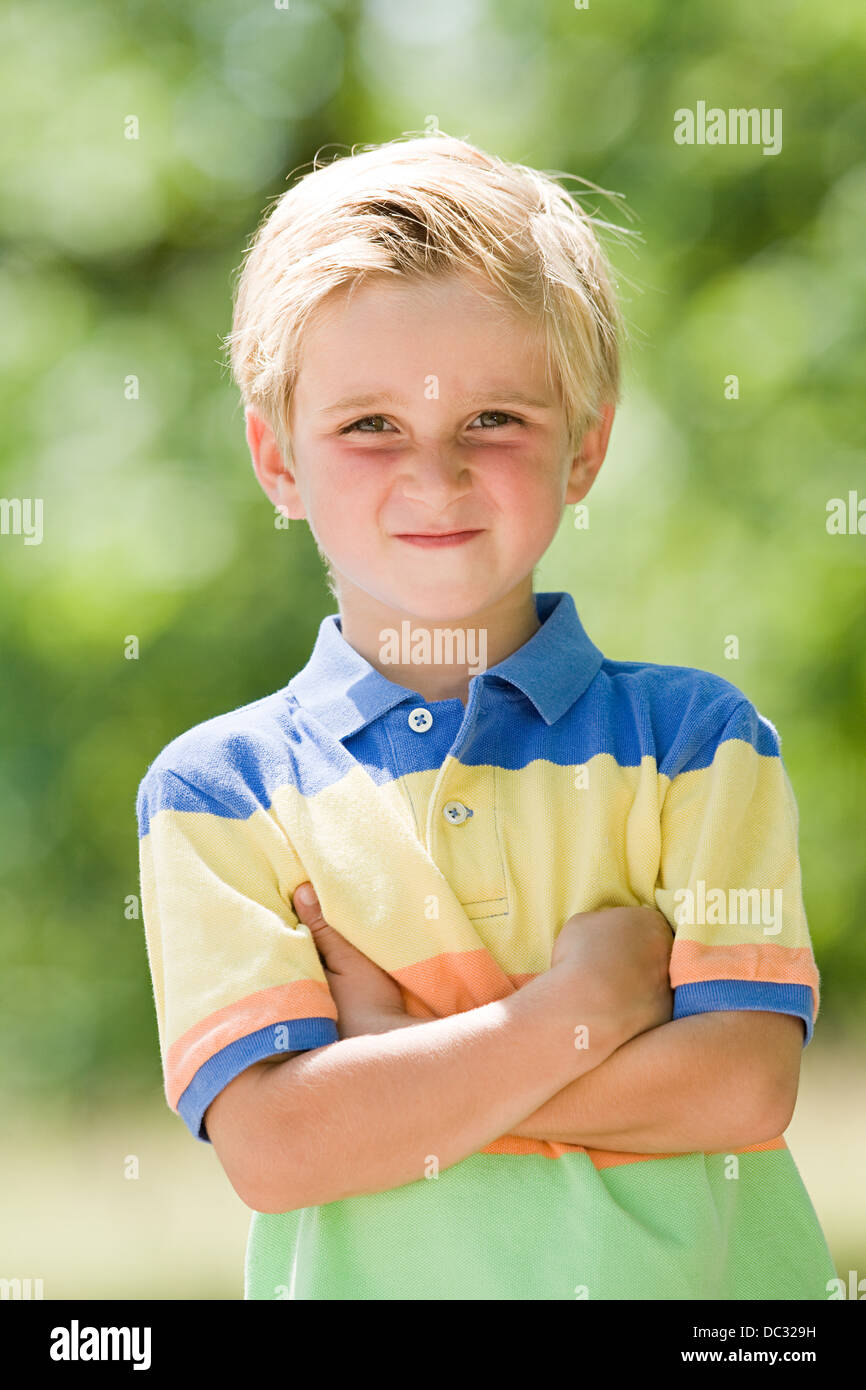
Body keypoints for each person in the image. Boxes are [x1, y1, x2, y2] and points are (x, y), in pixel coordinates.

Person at [135, 132, 836, 1299]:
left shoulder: (699, 745)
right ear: (277, 461)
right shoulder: (219, 795)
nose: (435, 475)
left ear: (584, 446)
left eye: (492, 421)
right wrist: (582, 1009)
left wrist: (381, 1066)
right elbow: (278, 1149)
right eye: (368, 427)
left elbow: (742, 1086)